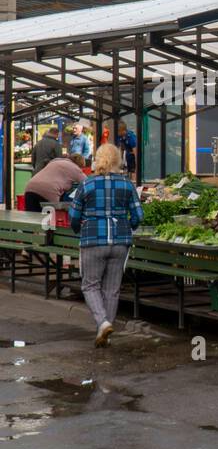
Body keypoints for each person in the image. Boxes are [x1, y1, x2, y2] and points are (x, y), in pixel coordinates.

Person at [69, 143, 142, 348]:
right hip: (120, 241)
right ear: (118, 160)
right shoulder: (127, 184)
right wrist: (130, 226)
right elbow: (138, 215)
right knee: (112, 289)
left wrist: (78, 228)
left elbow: (73, 215)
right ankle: (104, 331)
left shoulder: (87, 184)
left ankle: (103, 322)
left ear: (98, 160)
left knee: (90, 284)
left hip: (93, 239)